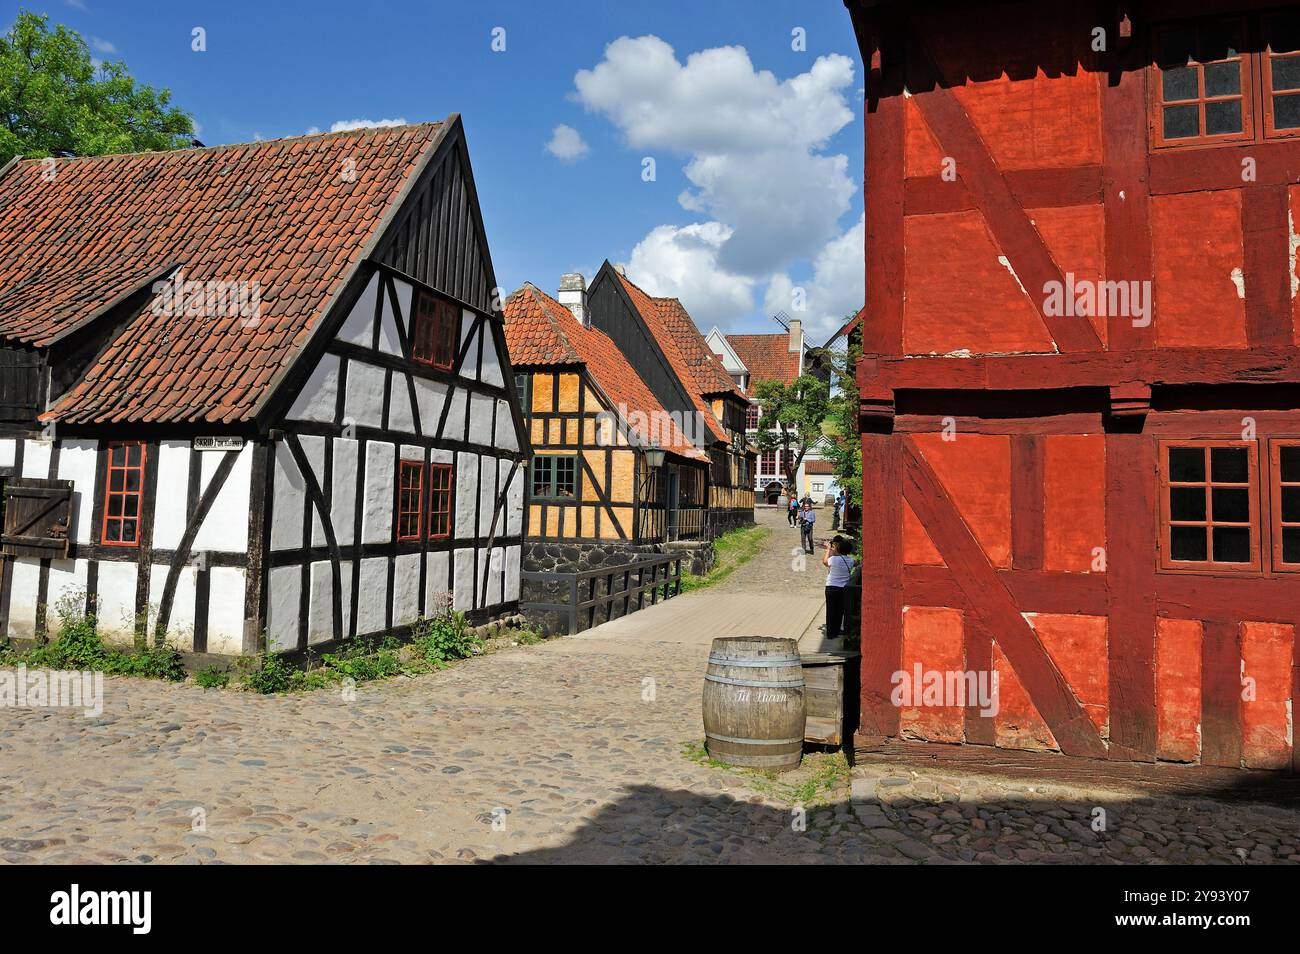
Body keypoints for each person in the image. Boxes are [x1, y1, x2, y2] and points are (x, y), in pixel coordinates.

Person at [822, 535, 855, 641]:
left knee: (831, 610)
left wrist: (827, 549)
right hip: (843, 588)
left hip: (831, 587)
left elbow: (824, 562)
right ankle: (837, 630)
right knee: (840, 611)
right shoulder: (850, 560)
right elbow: (857, 563)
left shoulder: (834, 560)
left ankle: (830, 633)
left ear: (838, 548)